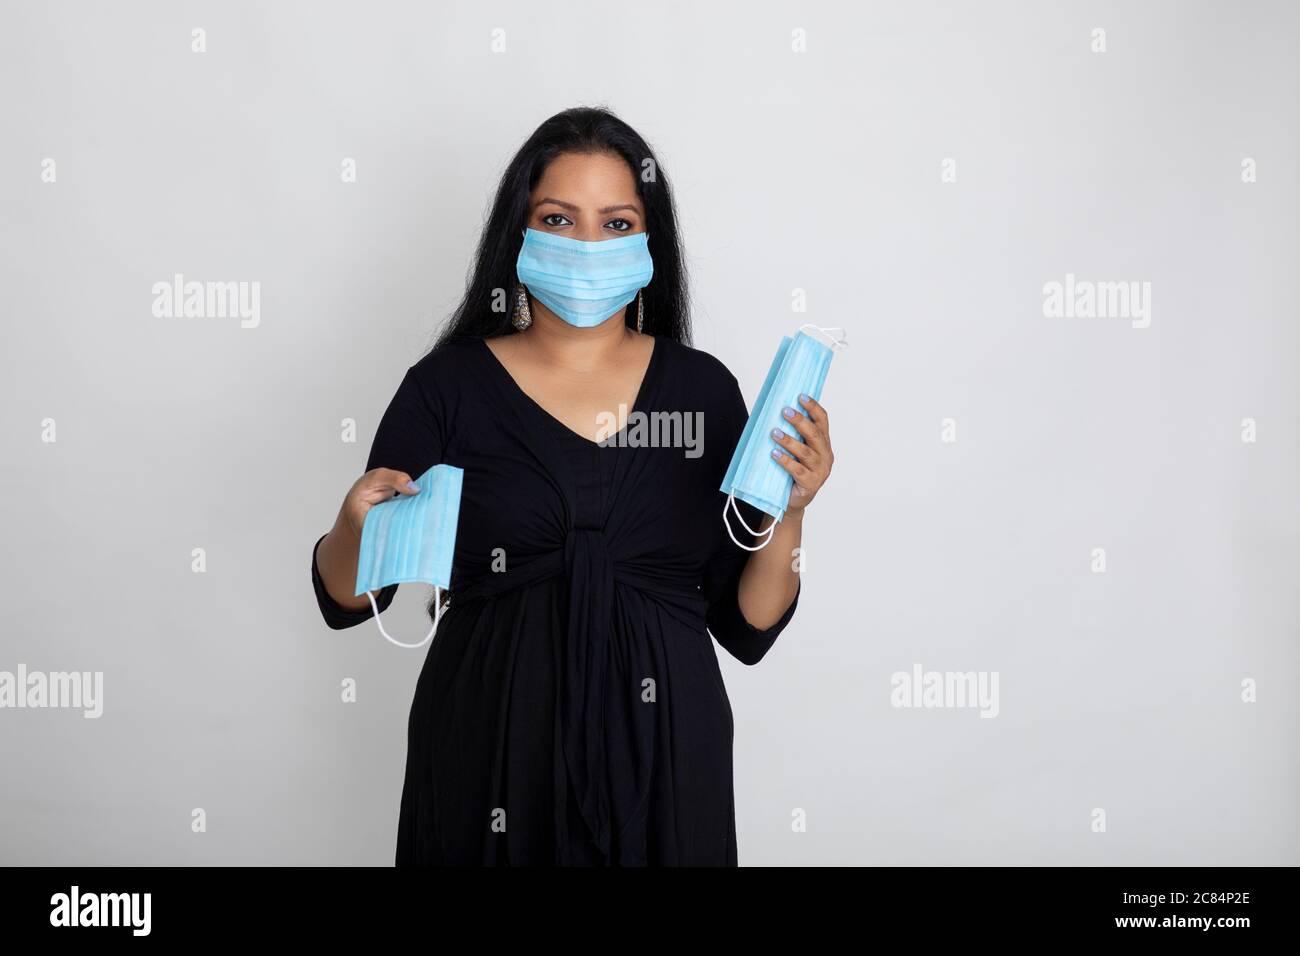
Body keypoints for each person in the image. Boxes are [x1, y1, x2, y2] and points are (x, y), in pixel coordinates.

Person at [310, 106, 835, 865]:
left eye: (616, 223)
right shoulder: (446, 389)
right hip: (488, 742)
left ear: (649, 239)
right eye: (558, 218)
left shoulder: (703, 392)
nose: (588, 245)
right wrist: (353, 526)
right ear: (517, 234)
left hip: (667, 749)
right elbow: (350, 602)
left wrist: (791, 511)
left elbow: (748, 625)